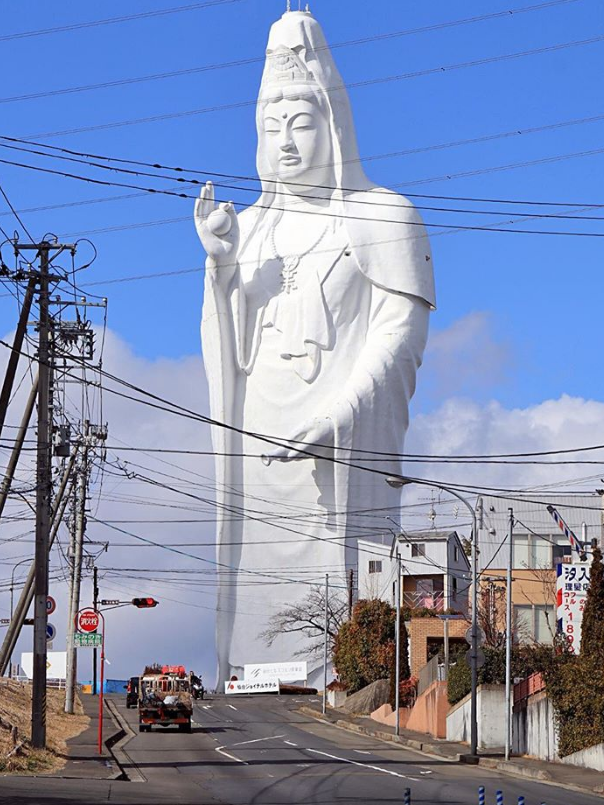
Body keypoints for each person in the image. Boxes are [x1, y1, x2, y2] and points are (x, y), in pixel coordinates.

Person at [195, 9, 435, 685]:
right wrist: (220, 268)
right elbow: (226, 352)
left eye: (301, 122)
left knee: (340, 560)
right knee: (258, 559)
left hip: (338, 437)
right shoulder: (244, 227)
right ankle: (248, 669)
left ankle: (347, 669)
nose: (288, 142)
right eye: (273, 127)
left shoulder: (381, 212)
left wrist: (345, 412)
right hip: (260, 435)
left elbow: (401, 333)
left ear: (333, 120)